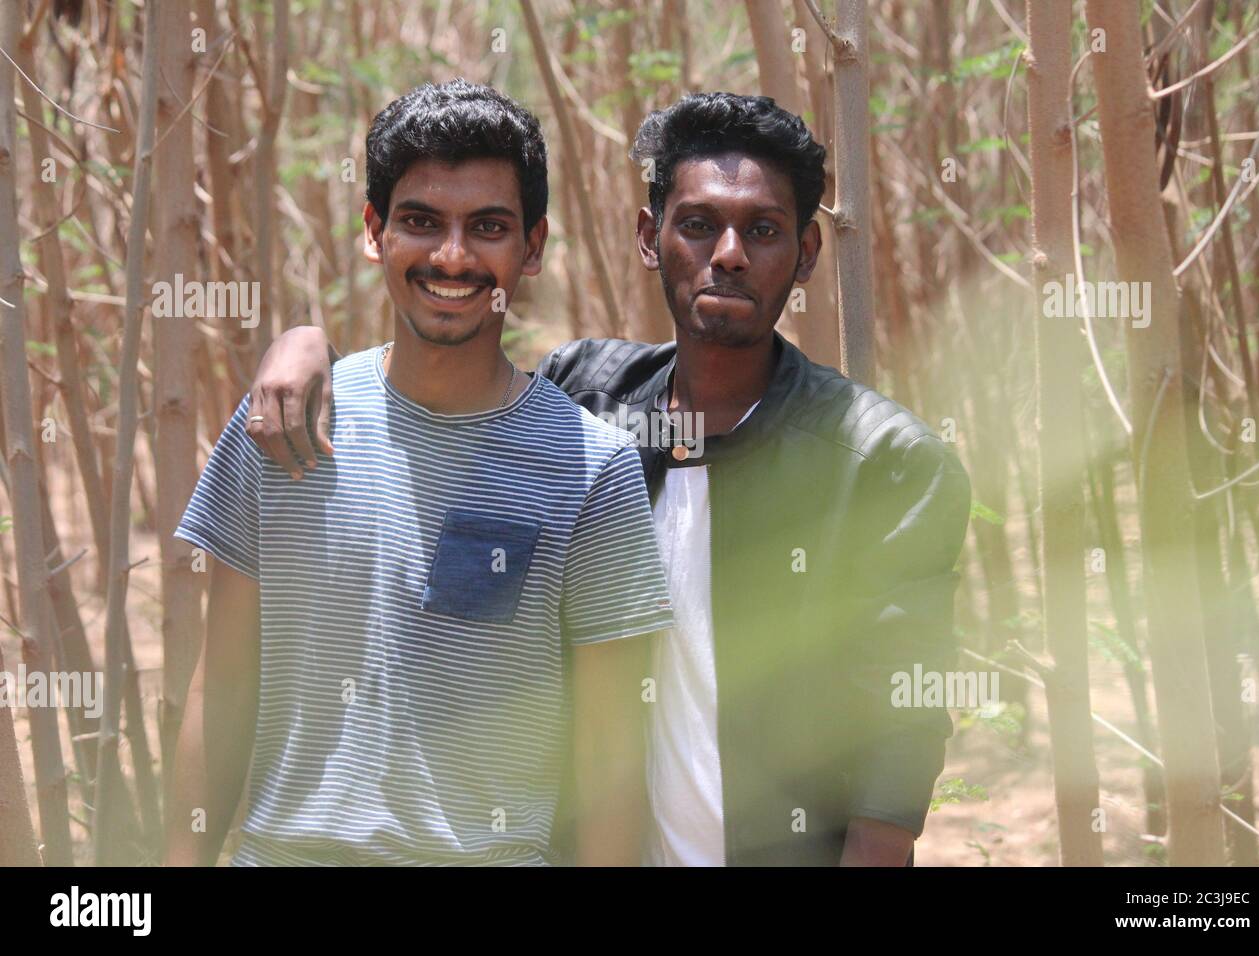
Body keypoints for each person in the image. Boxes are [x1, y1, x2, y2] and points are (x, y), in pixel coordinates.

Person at [248, 92, 973, 866]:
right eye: (697, 224)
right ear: (649, 237)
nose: (728, 253)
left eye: (761, 230)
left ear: (804, 254)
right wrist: (304, 342)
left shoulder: (881, 464)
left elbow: (898, 748)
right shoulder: (580, 403)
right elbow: (444, 383)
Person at [164, 80, 673, 867]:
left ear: (532, 247)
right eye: (421, 221)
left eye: (489, 227)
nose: (452, 256)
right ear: (375, 232)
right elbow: (222, 687)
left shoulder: (591, 468)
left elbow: (611, 754)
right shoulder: (281, 425)